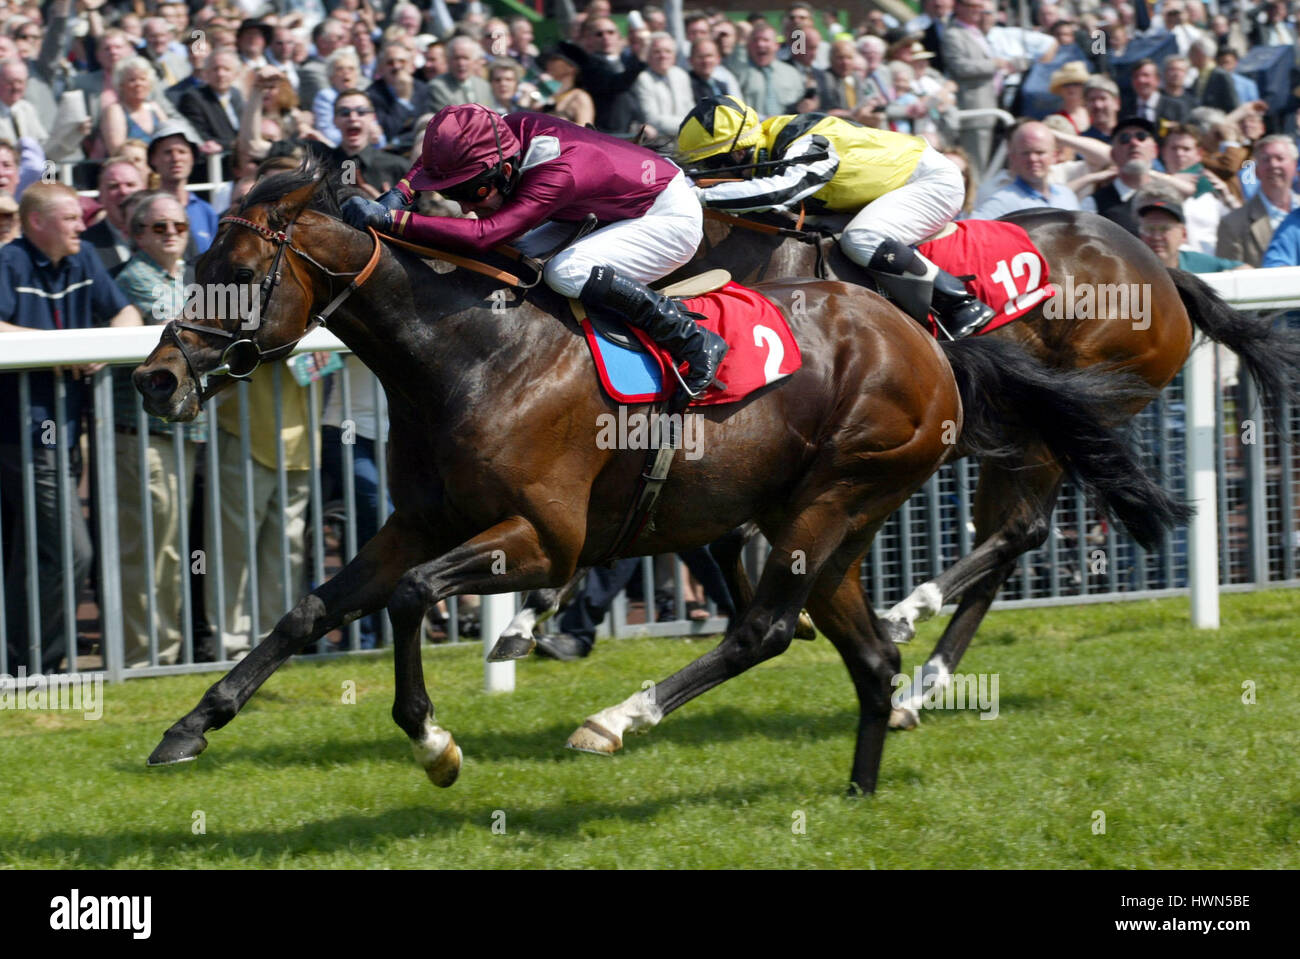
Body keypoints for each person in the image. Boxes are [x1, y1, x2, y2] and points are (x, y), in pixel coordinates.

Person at [341, 103, 726, 399]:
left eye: (470, 192)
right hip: (607, 204)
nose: (463, 206)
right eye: (450, 194)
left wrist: (392, 220)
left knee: (566, 272)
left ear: (505, 170)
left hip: (668, 215)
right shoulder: (504, 129)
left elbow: (483, 234)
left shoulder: (558, 173)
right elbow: (439, 155)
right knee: (511, 256)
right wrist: (404, 192)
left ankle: (689, 337)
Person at [677, 95, 996, 338]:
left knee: (862, 238)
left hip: (929, 181)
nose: (714, 173)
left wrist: (701, 196)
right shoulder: (763, 151)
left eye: (715, 164)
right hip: (876, 194)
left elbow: (785, 190)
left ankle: (959, 304)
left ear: (737, 152)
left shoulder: (806, 138)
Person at [0, 182, 140, 673]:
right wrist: (61, 347)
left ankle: (21, 660)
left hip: (63, 429)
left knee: (34, 554)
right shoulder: (9, 262)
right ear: (37, 223)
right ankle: (45, 662)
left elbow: (126, 312)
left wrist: (98, 346)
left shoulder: (82, 260)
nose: (83, 226)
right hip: (26, 431)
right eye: (71, 219)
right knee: (71, 553)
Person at [113, 192, 195, 667]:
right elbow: (185, 332)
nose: (170, 234)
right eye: (160, 227)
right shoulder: (134, 277)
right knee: (147, 552)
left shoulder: (187, 277)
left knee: (169, 552)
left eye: (179, 226)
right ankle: (146, 658)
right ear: (137, 234)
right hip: (142, 436)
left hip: (181, 438)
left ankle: (168, 653)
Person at [973, 121, 1082, 218]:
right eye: (1025, 153)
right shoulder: (1001, 202)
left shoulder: (1066, 195)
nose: (1033, 159)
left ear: (1054, 155)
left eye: (1040, 152)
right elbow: (972, 231)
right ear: (1012, 157)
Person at [1220, 135, 1300, 267]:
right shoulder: (1232, 224)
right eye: (1266, 160)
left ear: (1295, 165)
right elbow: (1230, 278)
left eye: (1280, 158)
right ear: (1256, 170)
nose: (1273, 165)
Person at [148, 124, 218, 254]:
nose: (176, 158)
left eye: (182, 151)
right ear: (153, 159)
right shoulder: (145, 209)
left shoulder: (206, 211)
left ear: (192, 158)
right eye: (168, 152)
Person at [1137, 192, 1245, 272]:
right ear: (1141, 235)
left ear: (1184, 234)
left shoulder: (1198, 263)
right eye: (1149, 229)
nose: (1156, 237)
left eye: (1164, 229)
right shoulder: (1130, 268)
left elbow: (1242, 268)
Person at [82, 156, 145, 273]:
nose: (123, 191)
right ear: (101, 195)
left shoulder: (167, 232)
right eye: (113, 186)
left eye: (130, 185)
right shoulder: (84, 246)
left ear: (144, 190)